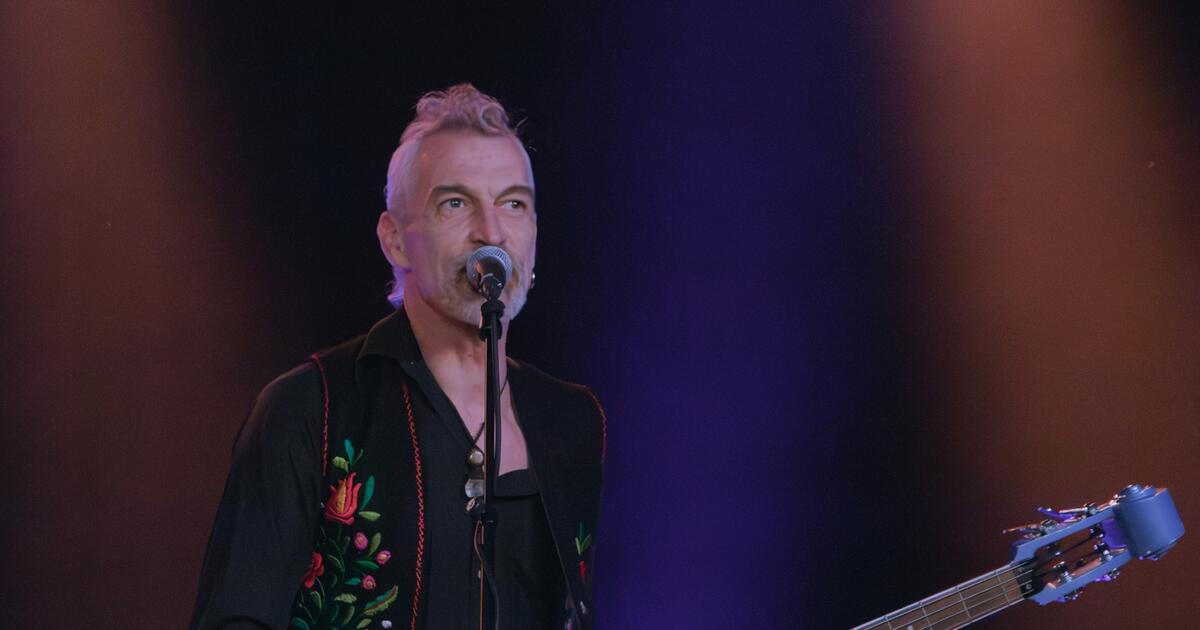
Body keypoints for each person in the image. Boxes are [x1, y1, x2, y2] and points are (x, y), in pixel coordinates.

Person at [191, 84, 606, 630]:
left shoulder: (571, 422)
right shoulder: (310, 407)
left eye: (513, 203)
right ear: (396, 240)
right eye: (455, 203)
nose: (492, 232)